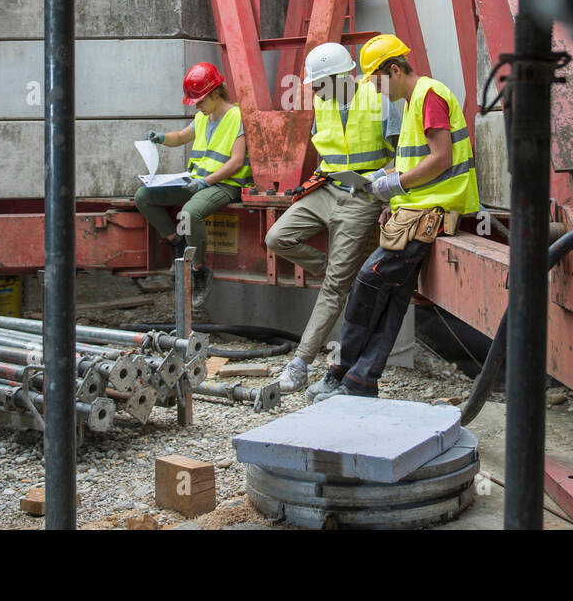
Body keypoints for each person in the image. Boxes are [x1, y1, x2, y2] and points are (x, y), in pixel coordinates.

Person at [309, 33, 479, 402]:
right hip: (418, 210)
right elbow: (418, 160)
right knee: (394, 298)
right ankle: (361, 382)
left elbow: (441, 158)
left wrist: (392, 185)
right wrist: (395, 195)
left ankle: (340, 370)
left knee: (368, 282)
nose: (374, 88)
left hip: (432, 210)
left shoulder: (428, 95)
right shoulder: (413, 100)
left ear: (395, 70)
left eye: (376, 79)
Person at [264, 42, 401, 393]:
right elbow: (327, 149)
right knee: (276, 238)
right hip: (328, 189)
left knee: (334, 289)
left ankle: (300, 363)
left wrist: (382, 186)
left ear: (345, 75)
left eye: (323, 82)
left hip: (364, 197)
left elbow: (405, 158)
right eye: (316, 84)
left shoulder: (381, 100)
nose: (318, 90)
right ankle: (333, 274)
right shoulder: (323, 104)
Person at [135, 61, 252, 307]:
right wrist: (160, 138)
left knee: (189, 213)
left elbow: (237, 161)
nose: (197, 106)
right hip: (196, 182)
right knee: (143, 197)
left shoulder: (236, 116)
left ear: (214, 93)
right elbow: (180, 137)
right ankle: (176, 242)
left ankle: (199, 271)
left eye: (200, 101)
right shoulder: (202, 117)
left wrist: (204, 183)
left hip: (224, 185)